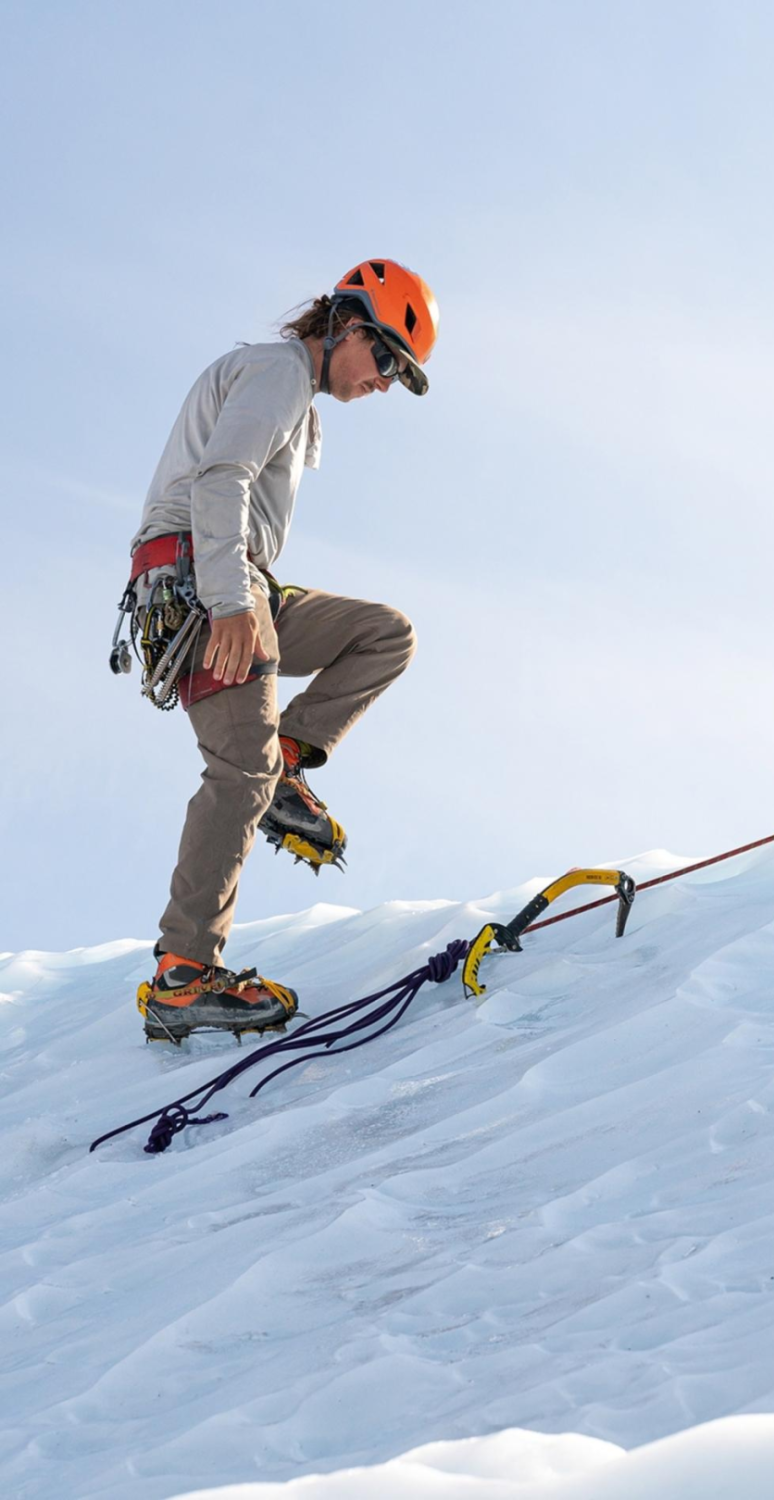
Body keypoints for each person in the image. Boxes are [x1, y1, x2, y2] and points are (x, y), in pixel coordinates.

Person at [126, 258, 439, 1043]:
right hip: (200, 580)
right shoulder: (277, 372)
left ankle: (289, 767)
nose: (386, 385)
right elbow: (220, 480)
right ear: (349, 325)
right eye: (388, 362)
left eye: (400, 376)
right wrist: (231, 602)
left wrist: (247, 595)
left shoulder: (299, 398)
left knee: (382, 634)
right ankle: (182, 976)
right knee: (240, 770)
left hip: (240, 581)